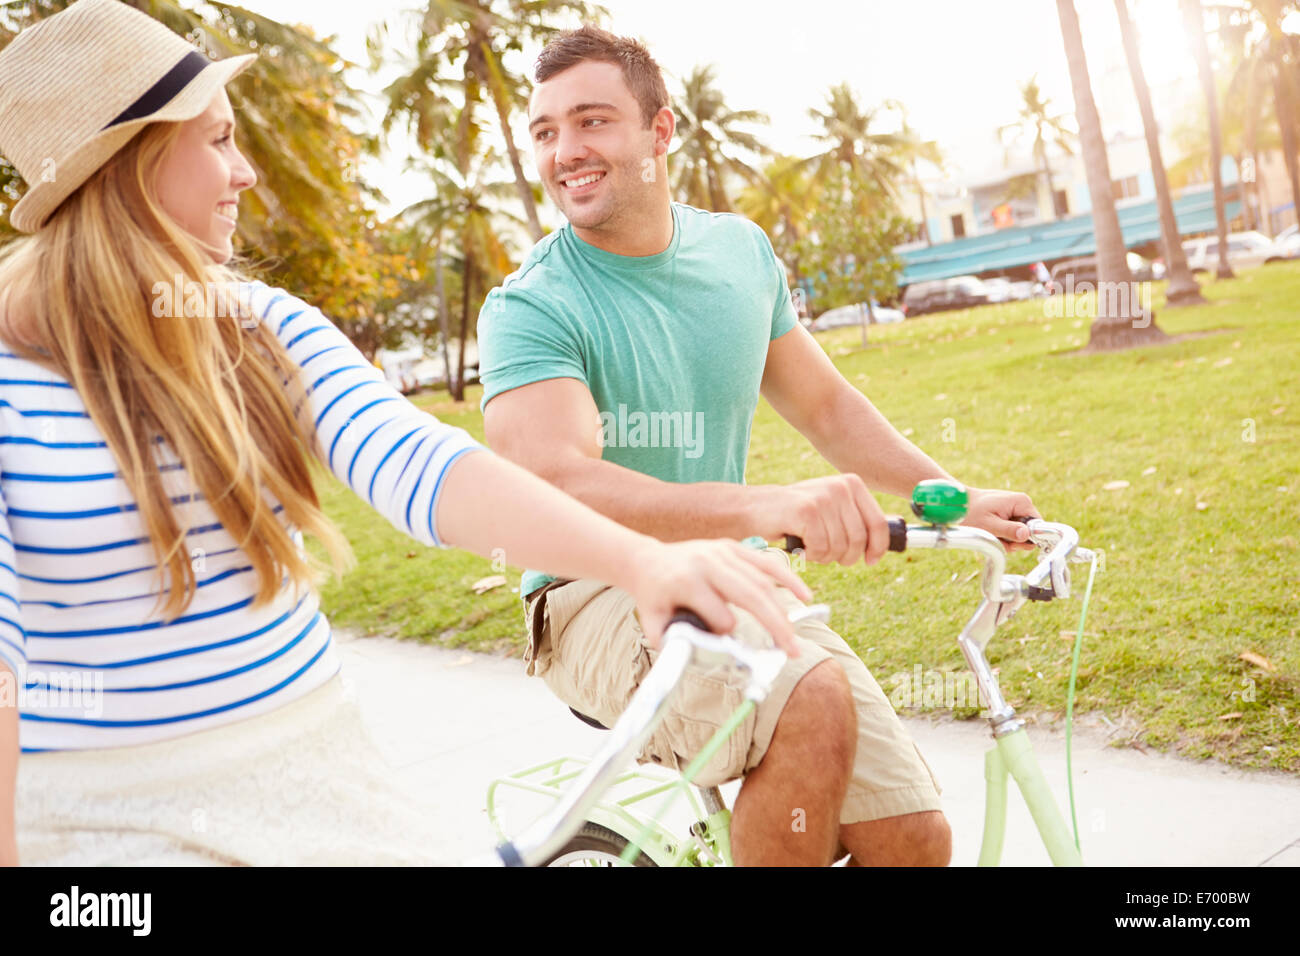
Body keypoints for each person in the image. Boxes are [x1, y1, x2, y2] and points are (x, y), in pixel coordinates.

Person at [0, 0, 810, 866]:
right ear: (134, 160)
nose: (246, 174)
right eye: (218, 140)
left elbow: (424, 465)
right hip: (100, 827)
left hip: (320, 777)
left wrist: (643, 561)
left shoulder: (260, 326)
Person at [477, 25, 1043, 867]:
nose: (566, 151)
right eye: (547, 131)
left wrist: (954, 497)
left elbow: (826, 406)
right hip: (591, 592)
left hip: (733, 577)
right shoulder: (531, 305)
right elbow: (559, 481)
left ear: (660, 133)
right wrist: (768, 505)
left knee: (912, 840)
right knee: (809, 700)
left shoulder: (738, 252)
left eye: (592, 122)